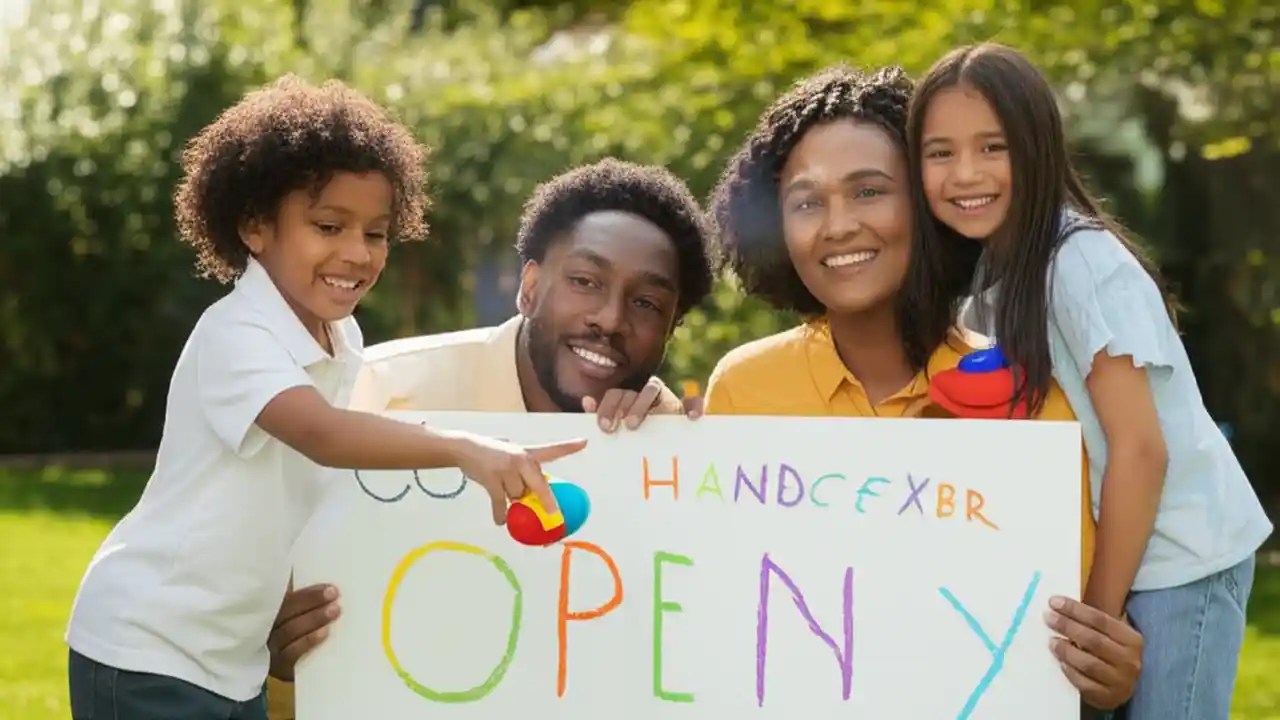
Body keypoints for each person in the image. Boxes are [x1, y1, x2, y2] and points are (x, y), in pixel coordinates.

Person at [64, 75, 587, 720]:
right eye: (328, 225)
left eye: (375, 233)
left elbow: (307, 486)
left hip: (234, 662)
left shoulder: (341, 335)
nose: (356, 253)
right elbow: (323, 436)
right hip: (148, 649)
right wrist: (459, 448)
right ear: (255, 226)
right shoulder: (237, 333)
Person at [702, 63, 1144, 714]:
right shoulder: (743, 388)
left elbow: (1054, 634)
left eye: (869, 191)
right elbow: (722, 602)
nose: (837, 225)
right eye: (805, 202)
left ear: (931, 203)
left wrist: (1108, 672)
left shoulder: (1029, 398)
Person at [263, 157, 714, 720]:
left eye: (647, 303)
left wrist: (687, 464)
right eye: (584, 281)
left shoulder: (664, 437)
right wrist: (274, 643)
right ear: (529, 287)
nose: (611, 318)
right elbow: (264, 582)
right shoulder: (381, 392)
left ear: (671, 330)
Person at [906, 42, 1273, 720]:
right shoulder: (992, 276)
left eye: (994, 147)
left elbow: (1140, 449)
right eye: (940, 153)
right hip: (1109, 556)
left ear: (1039, 146)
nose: (966, 173)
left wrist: (1098, 615)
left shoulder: (1079, 261)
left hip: (1180, 562)